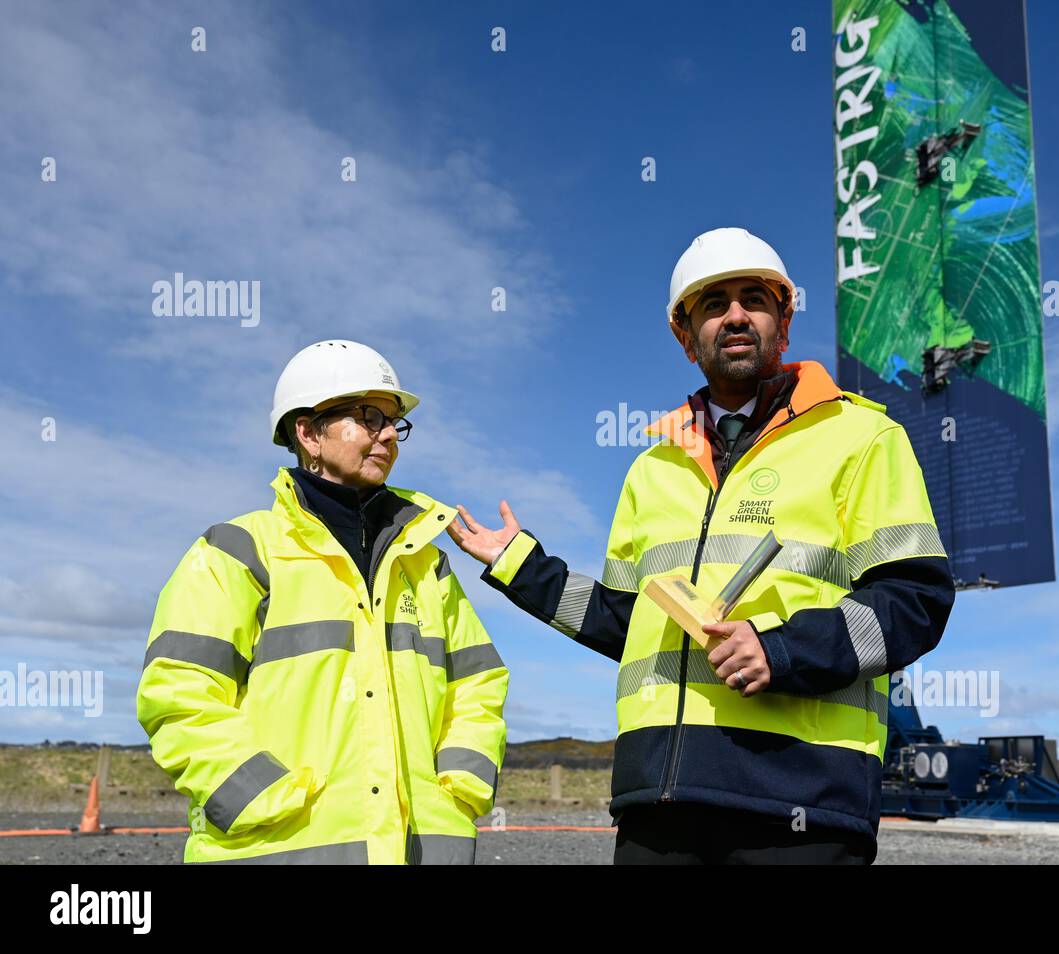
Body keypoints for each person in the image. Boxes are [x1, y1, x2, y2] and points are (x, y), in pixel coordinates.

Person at [448, 227, 954, 864]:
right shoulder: (652, 468)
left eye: (753, 299)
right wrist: (521, 567)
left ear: (784, 322)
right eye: (713, 304)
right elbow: (629, 624)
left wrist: (782, 651)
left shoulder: (864, 437)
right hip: (659, 806)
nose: (735, 315)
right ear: (685, 338)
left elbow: (914, 600)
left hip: (801, 806)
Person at [137, 339, 508, 864]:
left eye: (393, 422)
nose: (387, 435)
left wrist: (459, 785)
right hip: (280, 848)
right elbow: (178, 692)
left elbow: (478, 684)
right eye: (367, 416)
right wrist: (258, 795)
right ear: (308, 433)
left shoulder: (425, 564)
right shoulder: (240, 551)